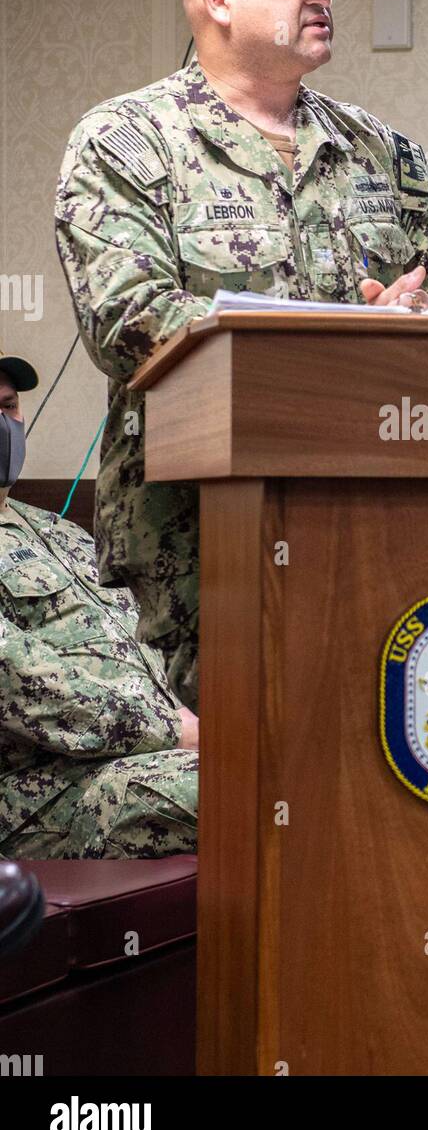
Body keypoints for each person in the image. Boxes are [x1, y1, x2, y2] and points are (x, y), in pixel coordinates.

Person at [55, 0, 428, 711]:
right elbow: (132, 322)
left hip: (376, 535)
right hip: (198, 559)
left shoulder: (386, 152)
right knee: (228, 808)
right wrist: (352, 341)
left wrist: (425, 318)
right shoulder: (128, 142)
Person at [0, 353, 198, 859]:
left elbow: (148, 630)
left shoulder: (57, 531)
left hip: (146, 751)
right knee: (250, 784)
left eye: (8, 406)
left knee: (289, 761)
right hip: (46, 793)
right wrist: (175, 730)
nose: (3, 425)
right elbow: (21, 683)